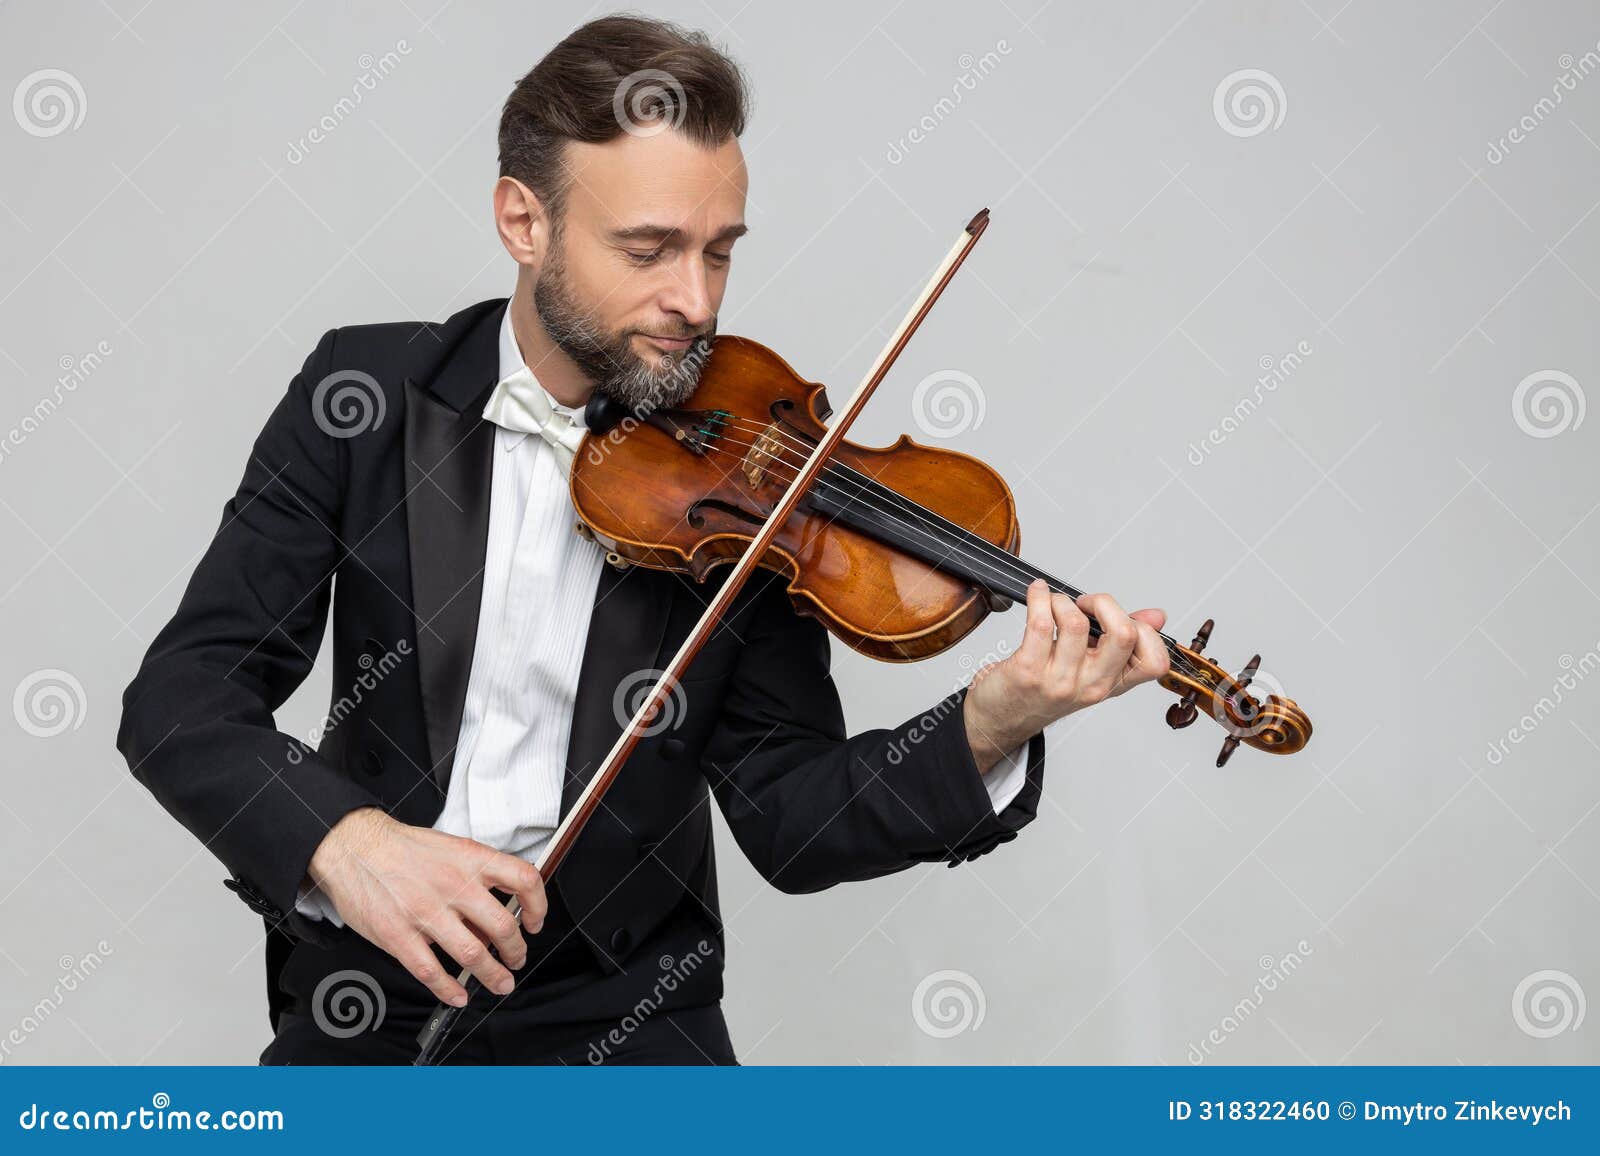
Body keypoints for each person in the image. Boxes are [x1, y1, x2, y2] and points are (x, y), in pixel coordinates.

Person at [116, 13, 1170, 1065]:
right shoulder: (366, 396)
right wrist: (345, 843)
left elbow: (791, 820)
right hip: (370, 998)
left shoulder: (752, 474)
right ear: (523, 223)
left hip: (630, 1019)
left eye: (719, 252)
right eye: (648, 249)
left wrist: (989, 722)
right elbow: (182, 700)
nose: (695, 301)